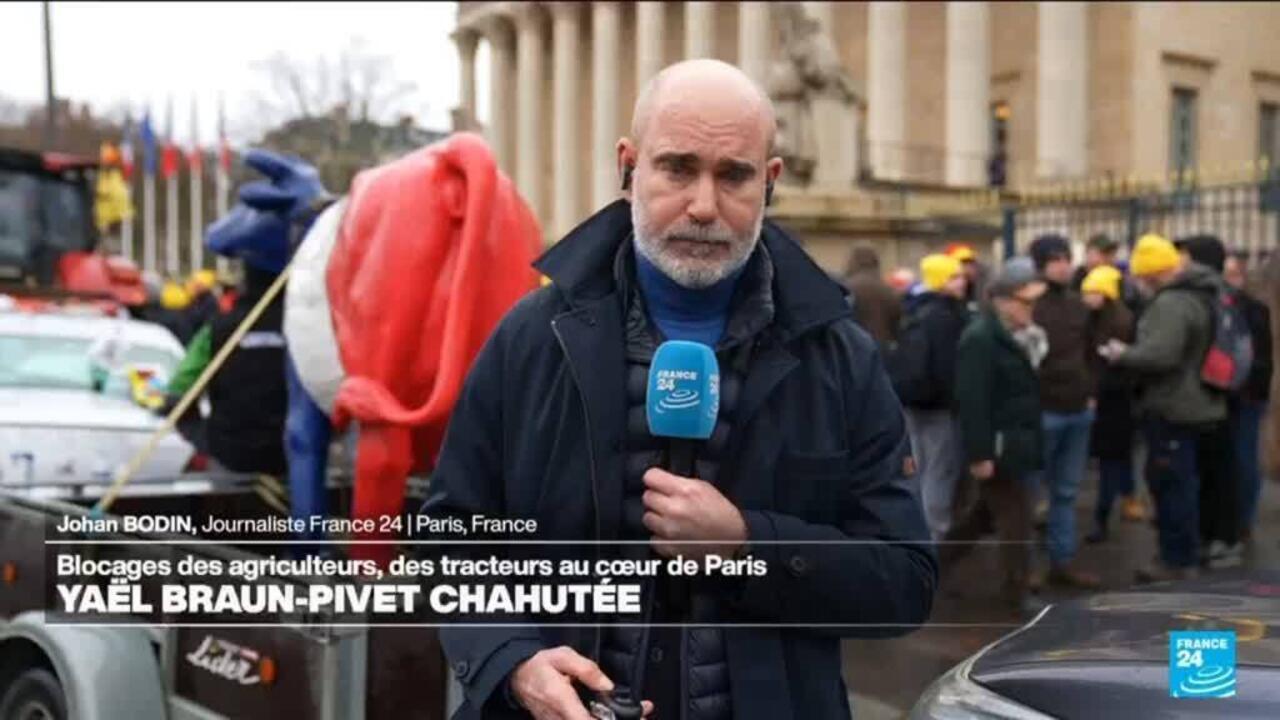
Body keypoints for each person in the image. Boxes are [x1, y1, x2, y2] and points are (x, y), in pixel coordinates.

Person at [423, 59, 936, 720]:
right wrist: (514, 660)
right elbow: (453, 543)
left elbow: (904, 582)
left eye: (733, 176)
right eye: (677, 168)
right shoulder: (532, 338)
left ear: (770, 181)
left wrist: (750, 545)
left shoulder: (840, 359)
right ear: (629, 166)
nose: (703, 206)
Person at [1101, 233, 1228, 582]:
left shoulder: (1171, 303)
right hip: (1204, 402)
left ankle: (1176, 559)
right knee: (1188, 483)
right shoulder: (1205, 291)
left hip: (1175, 405)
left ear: (1150, 274)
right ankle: (1189, 549)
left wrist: (1122, 354)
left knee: (1172, 485)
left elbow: (1161, 354)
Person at [943, 257, 1046, 617]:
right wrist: (980, 454)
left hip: (1014, 445)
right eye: (1026, 301)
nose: (1032, 309)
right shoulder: (981, 339)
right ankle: (1016, 594)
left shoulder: (1014, 337)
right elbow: (972, 400)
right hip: (999, 450)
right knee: (1017, 522)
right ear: (1003, 301)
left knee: (977, 520)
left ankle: (929, 570)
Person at [1027, 234, 1101, 589]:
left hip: (1077, 408)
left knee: (1067, 492)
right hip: (1043, 410)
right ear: (1040, 264)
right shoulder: (1030, 305)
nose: (1064, 265)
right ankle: (1026, 568)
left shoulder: (1078, 305)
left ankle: (1062, 561)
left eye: (1066, 258)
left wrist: (1091, 393)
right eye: (1055, 259)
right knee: (1029, 492)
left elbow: (1091, 352)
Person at [889, 253, 969, 539]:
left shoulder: (914, 310)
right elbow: (950, 368)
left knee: (918, 470)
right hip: (939, 408)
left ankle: (912, 531)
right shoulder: (947, 317)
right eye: (954, 277)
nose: (962, 282)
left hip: (913, 403)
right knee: (939, 472)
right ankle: (933, 538)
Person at [1078, 265, 1136, 543]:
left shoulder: (1120, 324)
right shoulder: (1092, 321)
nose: (1086, 298)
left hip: (1113, 405)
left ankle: (1103, 517)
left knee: (1111, 463)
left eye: (1092, 292)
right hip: (1104, 402)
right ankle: (1105, 514)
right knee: (1109, 463)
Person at [1224, 251, 1273, 543]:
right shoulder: (1252, 308)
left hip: (1246, 394)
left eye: (1232, 275)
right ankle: (1239, 516)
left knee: (1243, 456)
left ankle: (1243, 518)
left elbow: (1255, 356)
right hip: (1245, 392)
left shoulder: (1249, 309)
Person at [843, 244, 902, 346]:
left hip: (856, 346)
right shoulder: (886, 288)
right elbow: (897, 317)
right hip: (883, 345)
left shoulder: (848, 287)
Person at [947, 242, 988, 308]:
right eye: (962, 263)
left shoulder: (984, 284)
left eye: (970, 263)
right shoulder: (946, 290)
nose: (967, 268)